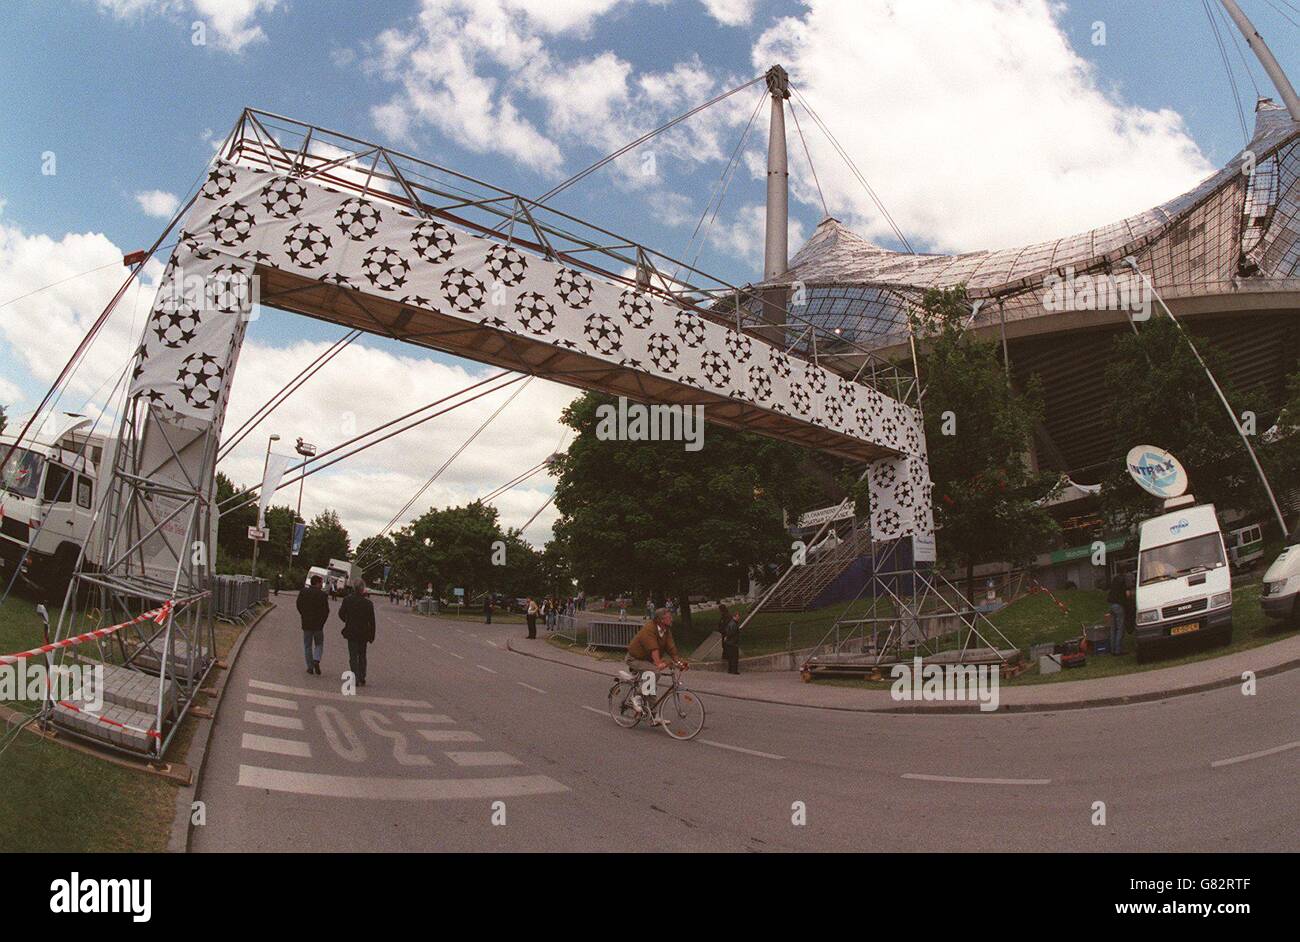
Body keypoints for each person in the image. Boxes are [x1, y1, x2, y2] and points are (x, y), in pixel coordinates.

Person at [625, 607, 687, 722]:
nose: (672, 619)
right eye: (669, 617)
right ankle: (637, 697)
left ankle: (654, 716)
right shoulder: (649, 629)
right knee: (654, 673)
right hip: (634, 658)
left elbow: (671, 647)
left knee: (651, 682)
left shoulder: (666, 630)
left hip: (646, 660)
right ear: (661, 619)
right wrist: (658, 663)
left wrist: (679, 662)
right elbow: (653, 648)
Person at [339, 579, 376, 686]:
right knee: (362, 655)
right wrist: (372, 635)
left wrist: (347, 621)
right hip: (363, 633)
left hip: (351, 632)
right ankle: (362, 676)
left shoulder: (347, 600)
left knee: (353, 656)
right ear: (362, 589)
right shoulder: (368, 603)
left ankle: (355, 677)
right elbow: (372, 621)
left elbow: (341, 614)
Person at [296, 574, 329, 675]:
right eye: (321, 583)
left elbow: (298, 604)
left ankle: (310, 667)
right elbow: (326, 611)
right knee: (319, 644)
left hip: (306, 623)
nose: (322, 585)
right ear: (317, 583)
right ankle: (316, 659)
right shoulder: (323, 595)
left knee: (307, 645)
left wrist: (303, 615)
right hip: (318, 625)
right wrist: (322, 621)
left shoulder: (303, 592)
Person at [717, 603, 741, 675]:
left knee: (731, 656)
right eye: (738, 616)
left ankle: (730, 669)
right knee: (734, 657)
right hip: (732, 642)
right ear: (735, 616)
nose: (739, 617)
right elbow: (731, 633)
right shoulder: (733, 623)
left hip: (729, 641)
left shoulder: (729, 621)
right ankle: (734, 670)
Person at [1107, 573, 1126, 656]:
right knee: (1120, 628)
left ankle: (1112, 649)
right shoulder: (1123, 581)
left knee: (1113, 628)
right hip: (1118, 605)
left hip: (1111, 605)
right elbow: (1126, 595)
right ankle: (1118, 650)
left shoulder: (1114, 581)